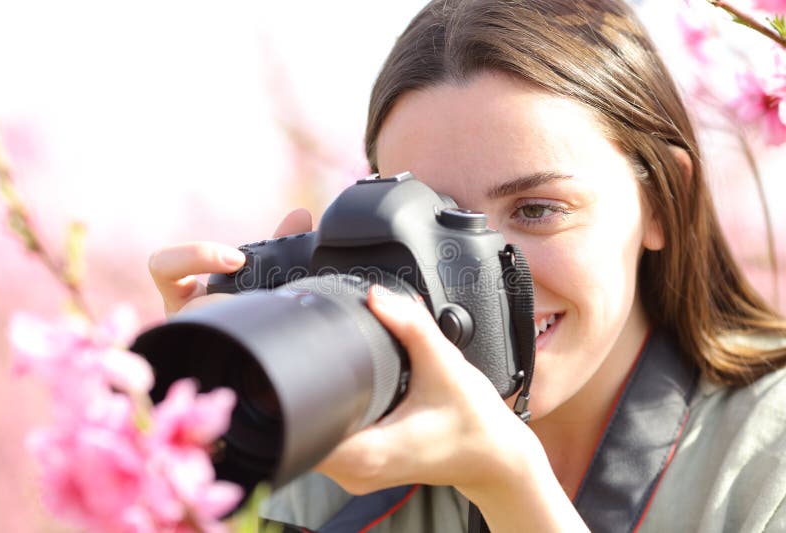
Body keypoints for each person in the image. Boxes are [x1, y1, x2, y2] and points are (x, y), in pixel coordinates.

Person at [147, 0, 786, 531]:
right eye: (431, 220)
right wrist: (214, 440)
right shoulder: (334, 463)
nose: (481, 275)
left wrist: (507, 481)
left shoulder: (766, 466)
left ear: (663, 202)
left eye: (537, 210)